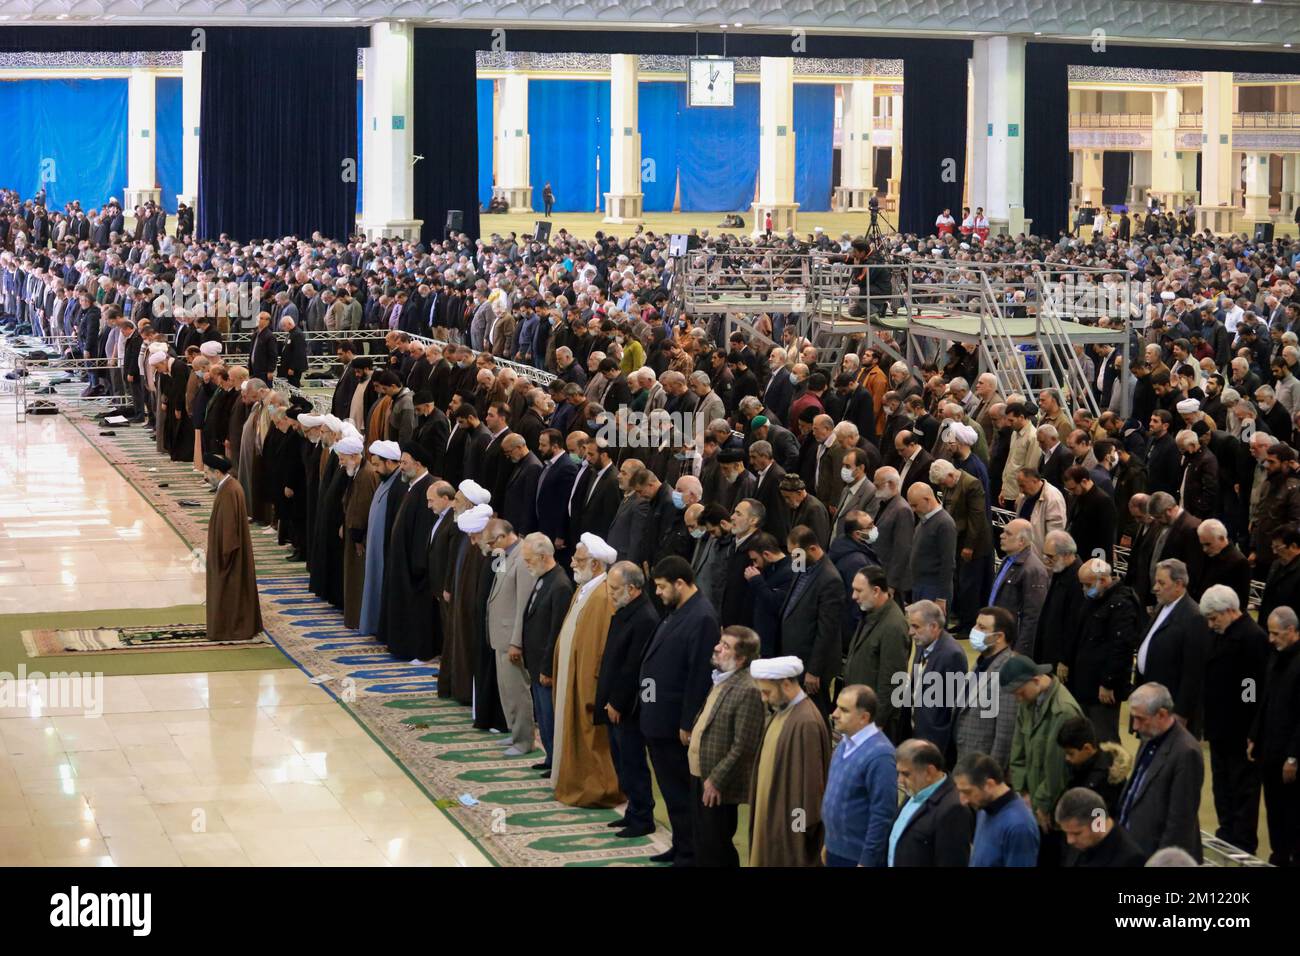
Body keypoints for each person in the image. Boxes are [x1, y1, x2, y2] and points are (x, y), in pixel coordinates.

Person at [639, 556, 718, 864]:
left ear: (680, 584)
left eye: (661, 587)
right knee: (671, 792)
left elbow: (700, 676)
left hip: (676, 724)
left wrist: (688, 722)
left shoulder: (702, 617)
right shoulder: (677, 611)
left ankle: (691, 852)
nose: (657, 593)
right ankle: (680, 843)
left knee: (683, 792)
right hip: (658, 718)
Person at [551, 533, 622, 808]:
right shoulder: (583, 589)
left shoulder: (603, 595)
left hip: (588, 683)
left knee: (591, 740)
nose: (571, 563)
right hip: (573, 676)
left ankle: (596, 789)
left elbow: (602, 644)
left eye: (578, 559)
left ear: (595, 564)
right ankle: (572, 781)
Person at [1198, 584, 1269, 854]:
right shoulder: (1220, 633)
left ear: (1230, 611)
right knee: (1222, 786)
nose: (1210, 623)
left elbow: (1252, 688)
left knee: (1243, 791)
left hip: (1239, 730)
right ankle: (1225, 833)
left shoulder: (1252, 639)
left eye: (1214, 618)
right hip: (1219, 727)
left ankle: (1242, 843)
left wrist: (1249, 727)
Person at [687, 626, 766, 867]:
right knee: (702, 841)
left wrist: (716, 780)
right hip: (700, 773)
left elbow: (744, 745)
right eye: (720, 643)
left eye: (725, 646)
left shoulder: (749, 690)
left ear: (741, 658)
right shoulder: (723, 676)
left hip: (718, 784)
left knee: (716, 846)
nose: (717, 648)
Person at [747, 655, 832, 867]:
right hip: (772, 819)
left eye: (767, 692)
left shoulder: (806, 722)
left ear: (786, 684)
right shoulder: (783, 711)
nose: (763, 699)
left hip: (789, 830)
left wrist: (798, 835)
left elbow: (811, 790)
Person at [596, 561, 660, 837]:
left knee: (633, 763)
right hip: (614, 701)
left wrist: (618, 702)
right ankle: (633, 811)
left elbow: (633, 667)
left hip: (627, 707)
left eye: (614, 588)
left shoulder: (644, 617)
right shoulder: (625, 610)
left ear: (632, 589)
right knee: (621, 761)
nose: (609, 593)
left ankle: (642, 817)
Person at [1004, 653, 1084, 865]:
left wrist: (1041, 806)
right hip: (1031, 802)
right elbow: (1018, 751)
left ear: (1036, 680)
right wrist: (1023, 792)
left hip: (1052, 810)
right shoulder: (1029, 702)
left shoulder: (1064, 712)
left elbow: (1058, 771)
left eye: (1020, 693)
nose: (1018, 699)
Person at [1117, 682, 1205, 863]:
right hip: (1133, 848)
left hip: (1156, 855)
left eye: (1140, 719)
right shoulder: (1150, 734)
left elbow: (1180, 823)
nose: (1135, 726)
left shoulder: (1186, 752)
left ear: (1162, 714)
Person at [822, 684, 898, 867]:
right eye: (837, 706)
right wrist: (828, 841)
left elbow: (882, 814)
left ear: (864, 717)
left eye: (844, 710)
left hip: (857, 858)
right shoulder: (844, 744)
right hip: (835, 849)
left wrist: (867, 861)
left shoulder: (881, 756)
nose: (834, 714)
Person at [1249, 606, 1300, 867]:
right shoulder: (1276, 656)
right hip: (1270, 747)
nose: (1270, 638)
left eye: (1275, 633)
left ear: (1291, 631)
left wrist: (1293, 757)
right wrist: (1254, 735)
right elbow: (1264, 699)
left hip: (1289, 755)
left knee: (1292, 812)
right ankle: (1278, 856)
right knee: (1273, 809)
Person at [1136, 558, 1210, 735]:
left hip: (1169, 710)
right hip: (1151, 700)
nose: (1155, 588)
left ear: (1179, 584)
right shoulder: (1163, 606)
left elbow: (1193, 672)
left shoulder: (1194, 617)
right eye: (1156, 582)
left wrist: (1181, 714)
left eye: (1161, 583)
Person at [483, 518, 537, 757]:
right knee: (506, 690)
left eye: (491, 542)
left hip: (511, 637)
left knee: (518, 690)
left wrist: (517, 641)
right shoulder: (505, 556)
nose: (490, 547)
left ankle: (525, 740)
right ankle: (514, 732)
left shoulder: (523, 558)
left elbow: (523, 604)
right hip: (499, 633)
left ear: (504, 537)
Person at [519, 533, 573, 774]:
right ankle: (550, 757)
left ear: (543, 556)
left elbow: (556, 631)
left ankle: (557, 761)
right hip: (535, 661)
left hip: (545, 664)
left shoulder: (560, 584)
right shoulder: (543, 578)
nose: (527, 564)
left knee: (550, 717)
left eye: (529, 559)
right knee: (542, 715)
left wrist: (547, 668)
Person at [379, 443, 437, 661]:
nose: (401, 467)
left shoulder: (429, 488)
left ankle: (417, 652)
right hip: (403, 564)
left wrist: (417, 566)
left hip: (415, 569)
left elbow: (423, 532)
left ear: (418, 464)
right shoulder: (413, 486)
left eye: (404, 462)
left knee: (417, 613)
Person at [202, 453, 263, 642]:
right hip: (230, 553)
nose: (205, 477)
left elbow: (229, 530)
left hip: (229, 556)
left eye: (207, 472)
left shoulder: (229, 491)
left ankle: (229, 629)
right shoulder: (229, 486)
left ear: (218, 472)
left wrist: (222, 559)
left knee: (229, 591)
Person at [844, 566, 910, 741]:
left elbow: (893, 680)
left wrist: (877, 721)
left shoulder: (893, 626)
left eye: (859, 591)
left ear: (876, 591)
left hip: (874, 723)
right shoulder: (870, 613)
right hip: (861, 714)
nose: (853, 596)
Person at [954, 606, 1020, 771]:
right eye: (976, 625)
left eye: (982, 628)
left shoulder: (1008, 671)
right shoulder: (982, 661)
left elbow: (1005, 732)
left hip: (981, 767)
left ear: (999, 637)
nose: (974, 631)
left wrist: (992, 772)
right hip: (963, 758)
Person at [888, 738, 972, 866]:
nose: (900, 780)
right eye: (898, 773)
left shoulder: (954, 808)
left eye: (905, 774)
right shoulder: (915, 789)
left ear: (929, 771)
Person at [902, 600, 968, 760]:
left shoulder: (953, 655)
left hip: (935, 742)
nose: (910, 632)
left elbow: (952, 710)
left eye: (915, 626)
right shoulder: (922, 644)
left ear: (933, 627)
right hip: (917, 733)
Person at [953, 752, 1039, 867]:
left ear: (989, 784)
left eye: (967, 792)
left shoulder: (1020, 827)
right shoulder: (984, 807)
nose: (963, 801)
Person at [1056, 787, 1148, 867]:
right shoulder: (1078, 841)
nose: (1070, 840)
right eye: (1066, 833)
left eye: (1077, 833)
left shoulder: (1131, 859)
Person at [1056, 715, 1131, 813]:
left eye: (1070, 754)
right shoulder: (1082, 765)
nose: (1067, 758)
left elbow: (1100, 823)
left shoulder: (1104, 779)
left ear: (1087, 748)